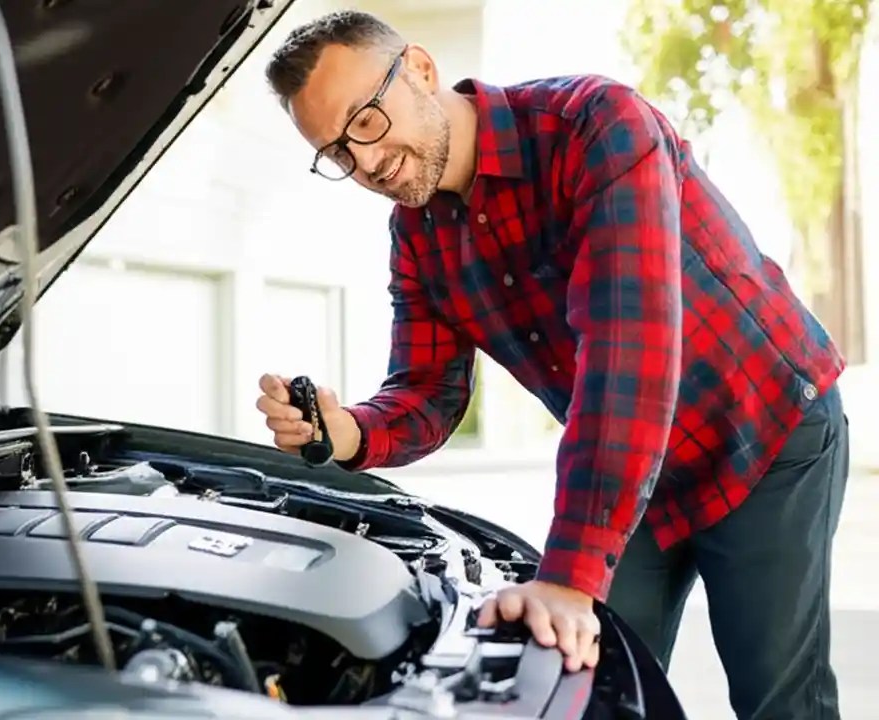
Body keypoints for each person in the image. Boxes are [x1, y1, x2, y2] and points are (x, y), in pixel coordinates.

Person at [255, 10, 849, 719]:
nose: (368, 162)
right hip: (640, 473)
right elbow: (427, 393)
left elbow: (628, 350)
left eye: (367, 121)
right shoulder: (416, 235)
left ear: (418, 68)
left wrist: (569, 576)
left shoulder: (596, 126)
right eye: (337, 153)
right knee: (576, 682)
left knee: (775, 696)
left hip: (763, 434)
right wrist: (345, 432)